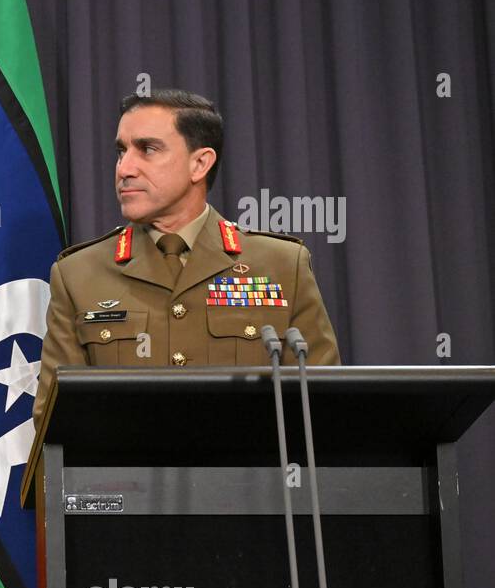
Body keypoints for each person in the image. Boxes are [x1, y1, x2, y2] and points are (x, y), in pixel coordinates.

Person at [33, 88, 340, 434]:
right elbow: (55, 423)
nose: (125, 168)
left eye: (147, 149)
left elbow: (322, 406)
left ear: (200, 163)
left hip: (251, 484)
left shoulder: (282, 265)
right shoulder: (78, 274)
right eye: (121, 151)